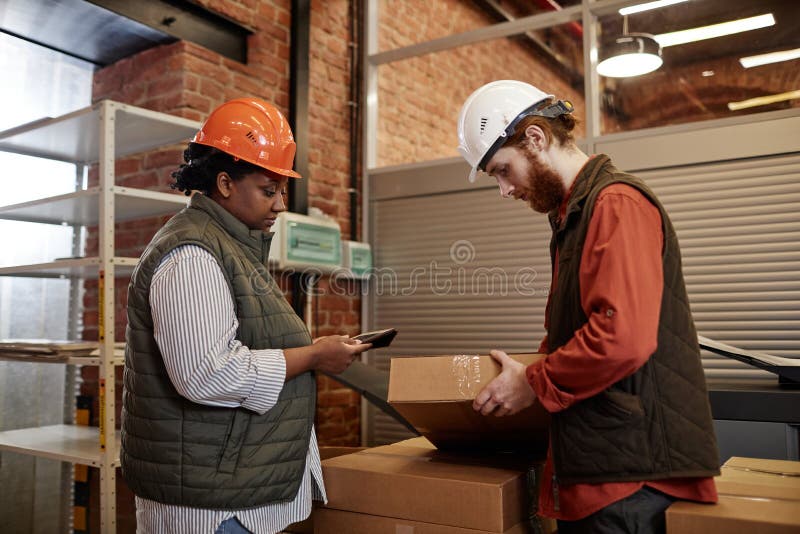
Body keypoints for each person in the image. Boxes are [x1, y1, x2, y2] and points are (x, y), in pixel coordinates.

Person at [457, 81, 720, 534]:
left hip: (628, 481)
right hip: (603, 470)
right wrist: (526, 374)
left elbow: (621, 339)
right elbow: (582, 331)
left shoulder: (615, 203)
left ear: (535, 138)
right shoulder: (571, 215)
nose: (503, 189)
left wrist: (534, 383)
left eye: (502, 170)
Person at [121, 97, 371, 534]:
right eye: (268, 190)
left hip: (231, 491)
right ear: (224, 183)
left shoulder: (234, 247)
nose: (279, 205)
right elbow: (207, 374)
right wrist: (312, 357)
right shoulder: (192, 255)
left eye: (282, 191)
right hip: (211, 508)